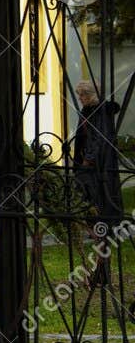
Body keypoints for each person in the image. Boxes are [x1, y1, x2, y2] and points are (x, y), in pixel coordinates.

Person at [71, 79, 124, 287]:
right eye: (79, 94)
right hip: (87, 171)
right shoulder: (87, 111)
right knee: (92, 220)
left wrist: (88, 161)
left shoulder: (100, 111)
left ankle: (102, 272)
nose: (80, 98)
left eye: (82, 94)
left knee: (99, 219)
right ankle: (100, 272)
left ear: (90, 95)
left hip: (97, 172)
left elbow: (99, 140)